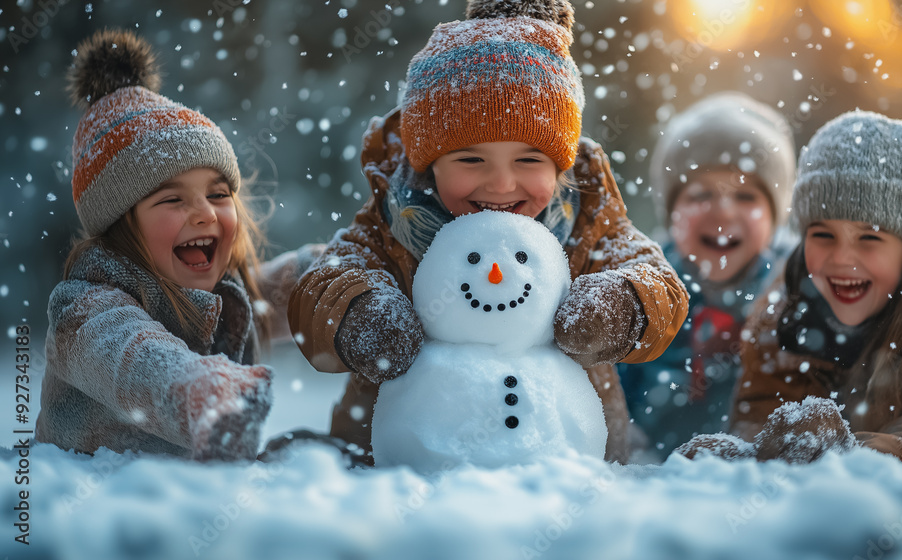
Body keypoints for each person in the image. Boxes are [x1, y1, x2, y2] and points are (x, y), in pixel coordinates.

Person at [287, 0, 690, 466]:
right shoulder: (394, 219)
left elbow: (656, 280)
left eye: (529, 160)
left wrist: (620, 306)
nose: (501, 184)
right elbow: (324, 284)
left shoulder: (587, 216)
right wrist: (362, 315)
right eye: (471, 160)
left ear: (560, 164)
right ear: (429, 164)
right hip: (398, 470)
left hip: (569, 466)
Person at [36, 29, 322, 461]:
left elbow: (283, 289)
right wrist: (201, 392)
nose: (205, 213)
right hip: (93, 507)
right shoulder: (84, 312)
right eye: (172, 199)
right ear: (120, 227)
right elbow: (133, 358)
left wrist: (341, 274)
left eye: (218, 194)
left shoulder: (224, 296)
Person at [684, 110, 902, 465]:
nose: (842, 258)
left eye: (869, 237)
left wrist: (837, 455)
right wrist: (738, 454)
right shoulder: (783, 321)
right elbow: (759, 423)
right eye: (823, 235)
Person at [619, 92, 797, 461]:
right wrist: (626, 440)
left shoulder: (796, 284)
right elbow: (611, 383)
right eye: (701, 194)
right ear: (671, 213)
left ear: (775, 217)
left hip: (760, 479)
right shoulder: (643, 286)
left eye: (746, 196)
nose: (722, 211)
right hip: (652, 477)